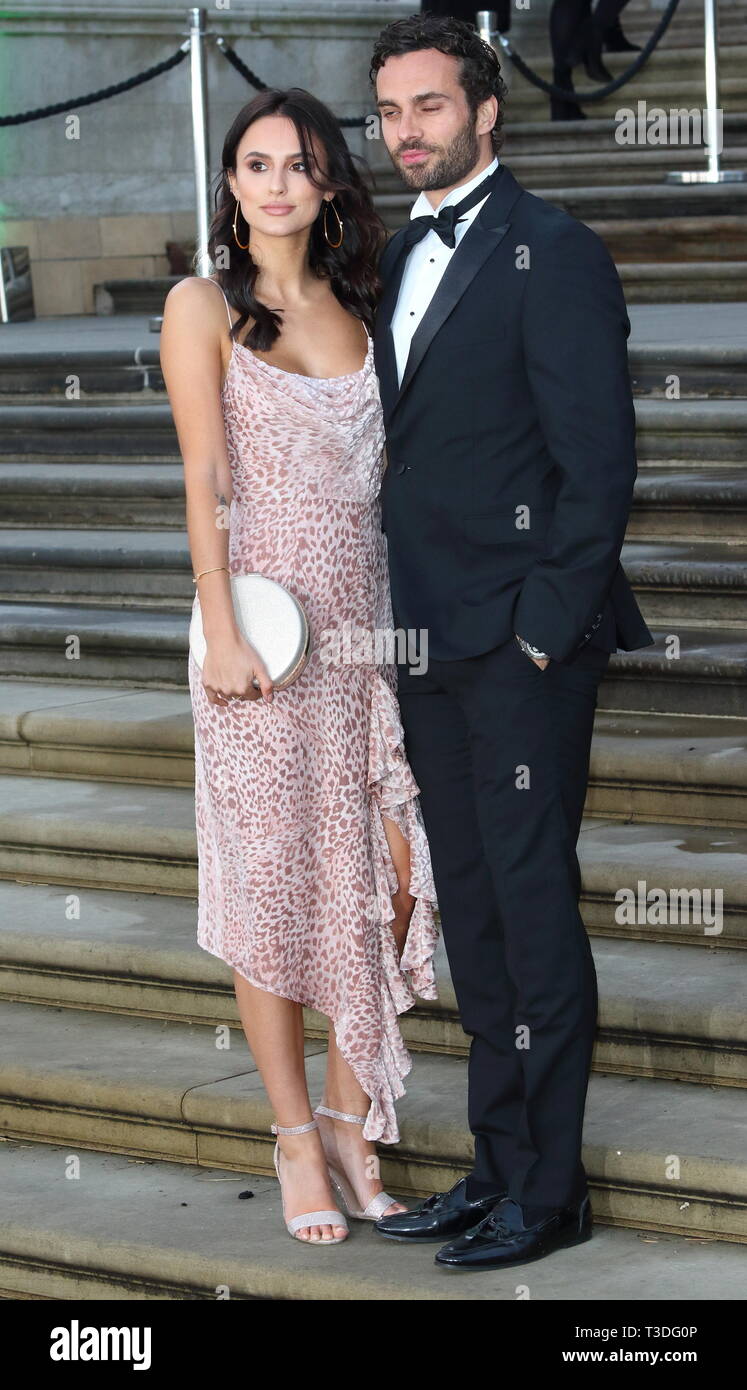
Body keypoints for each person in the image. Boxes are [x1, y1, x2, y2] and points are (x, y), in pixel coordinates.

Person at [369, 12, 654, 1270]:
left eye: (429, 106)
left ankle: (554, 1189)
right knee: (473, 906)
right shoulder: (390, 256)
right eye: (388, 113)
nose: (406, 133)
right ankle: (494, 1166)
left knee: (532, 909)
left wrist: (545, 628)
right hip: (425, 638)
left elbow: (599, 464)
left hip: (525, 644)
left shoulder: (559, 250)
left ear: (485, 110)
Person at [160, 88, 439, 1247]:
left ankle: (345, 1113)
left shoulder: (364, 303)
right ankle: (290, 1137)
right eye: (256, 163)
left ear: (329, 184)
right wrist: (221, 629)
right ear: (232, 183)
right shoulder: (202, 306)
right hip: (263, 639)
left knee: (384, 876)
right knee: (275, 886)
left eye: (300, 164)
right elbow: (196, 483)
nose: (275, 182)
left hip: (369, 628)